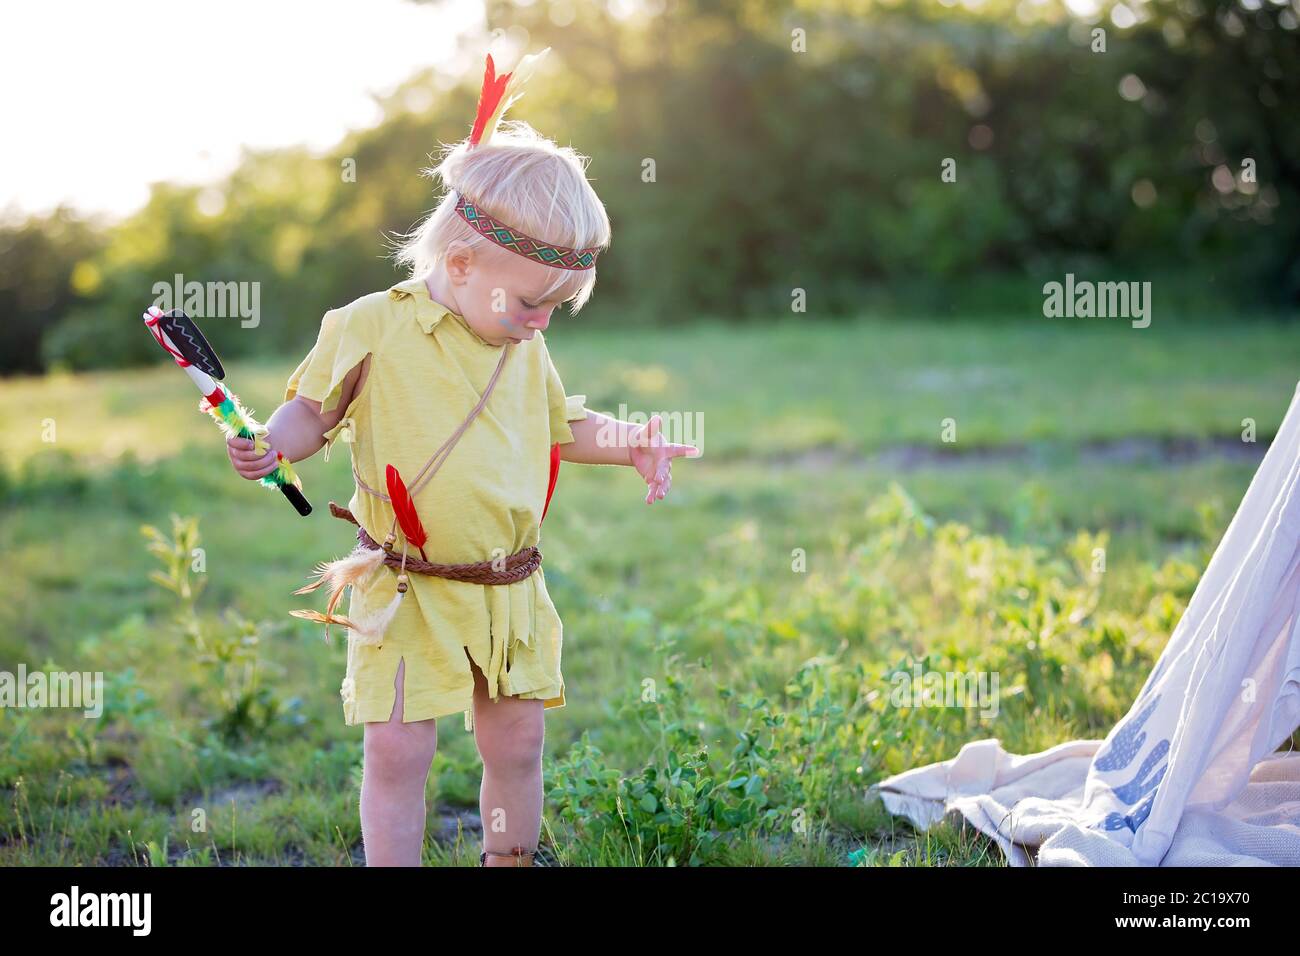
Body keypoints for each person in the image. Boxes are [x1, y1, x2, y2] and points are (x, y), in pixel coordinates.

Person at [224, 49, 699, 866]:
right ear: (462, 263)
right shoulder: (372, 324)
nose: (542, 322)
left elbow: (562, 426)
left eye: (557, 307)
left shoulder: (520, 342)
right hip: (406, 583)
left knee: (517, 745)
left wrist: (631, 443)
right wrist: (272, 445)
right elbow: (312, 410)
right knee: (399, 753)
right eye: (530, 301)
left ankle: (506, 861)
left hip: (507, 587)